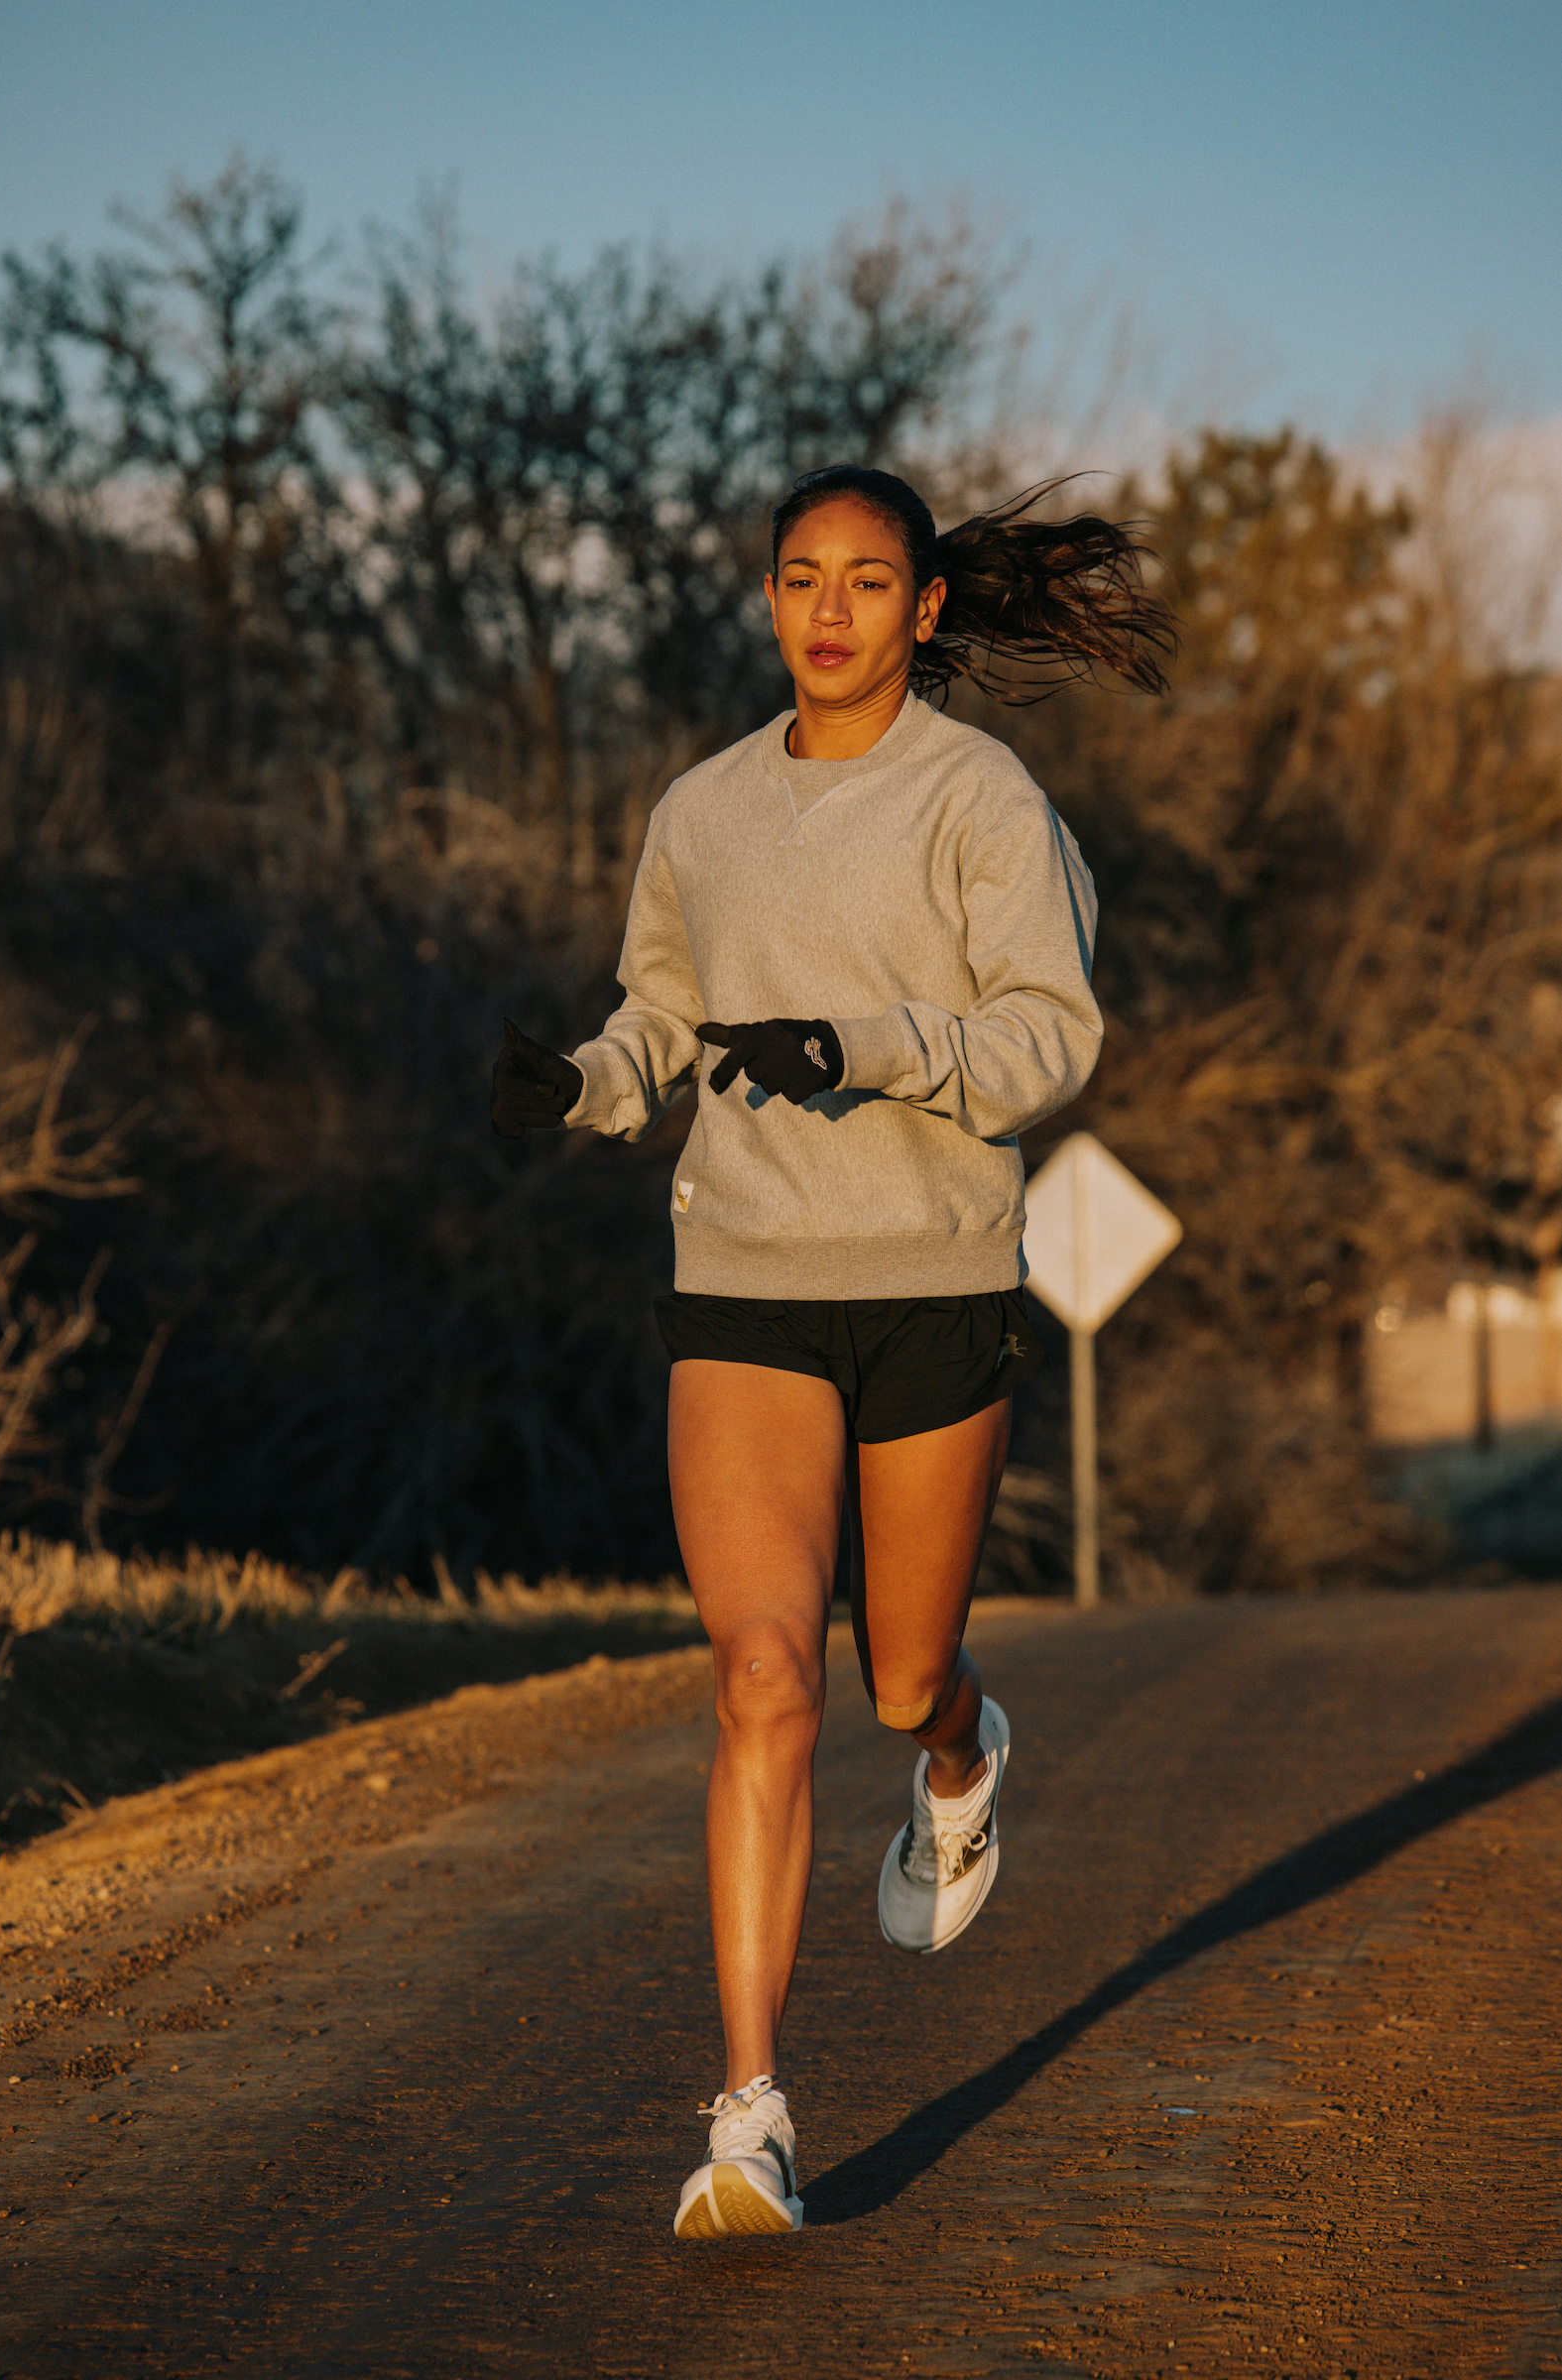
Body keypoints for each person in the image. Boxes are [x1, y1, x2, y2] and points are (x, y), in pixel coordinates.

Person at [490, 465, 1170, 2240]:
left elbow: (1047, 1040)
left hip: (935, 1279)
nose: (829, 610)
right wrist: (582, 1083)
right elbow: (661, 1013)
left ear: (924, 609)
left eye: (868, 583)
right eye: (801, 578)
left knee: (891, 1678)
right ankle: (748, 2116)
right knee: (764, 1677)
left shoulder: (979, 799)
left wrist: (865, 1050)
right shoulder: (701, 811)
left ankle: (958, 1754)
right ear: (768, 597)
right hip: (743, 1282)